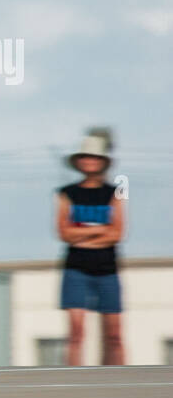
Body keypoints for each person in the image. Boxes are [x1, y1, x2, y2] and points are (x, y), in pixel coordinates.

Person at [55, 134, 125, 366]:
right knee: (76, 332)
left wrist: (81, 234)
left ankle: (116, 379)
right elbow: (64, 233)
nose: (90, 161)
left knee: (113, 334)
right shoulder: (67, 193)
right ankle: (73, 380)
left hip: (107, 268)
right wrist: (99, 231)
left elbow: (117, 233)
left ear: (103, 161)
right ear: (78, 161)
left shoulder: (115, 193)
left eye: (95, 157)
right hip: (76, 268)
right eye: (85, 157)